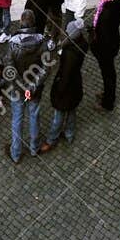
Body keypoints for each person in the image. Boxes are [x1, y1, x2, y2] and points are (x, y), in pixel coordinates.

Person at [1, 10, 51, 163]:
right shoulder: (42, 42)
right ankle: (34, 148)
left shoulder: (13, 44)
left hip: (18, 89)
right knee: (34, 116)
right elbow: (46, 68)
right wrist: (32, 87)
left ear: (21, 23)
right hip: (34, 90)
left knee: (17, 119)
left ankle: (15, 153)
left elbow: (9, 70)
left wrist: (23, 88)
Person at [44, 21, 87, 151]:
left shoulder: (69, 53)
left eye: (68, 32)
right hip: (76, 84)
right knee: (72, 110)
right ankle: (69, 134)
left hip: (66, 87)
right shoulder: (82, 44)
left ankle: (51, 140)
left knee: (59, 115)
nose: (66, 33)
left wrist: (58, 90)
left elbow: (65, 75)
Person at [91, 0, 120, 111]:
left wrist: (93, 39)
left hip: (106, 49)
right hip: (113, 44)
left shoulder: (106, 12)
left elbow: (102, 33)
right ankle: (107, 94)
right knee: (109, 73)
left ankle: (107, 102)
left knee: (108, 74)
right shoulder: (118, 4)